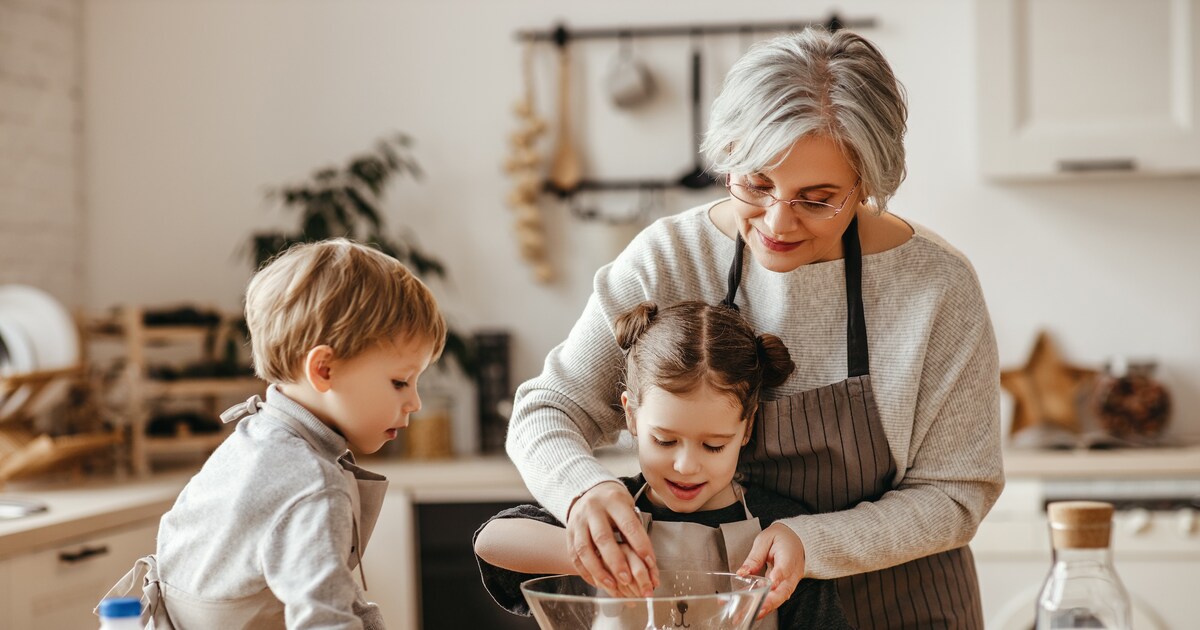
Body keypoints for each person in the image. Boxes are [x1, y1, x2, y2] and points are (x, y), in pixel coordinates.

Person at [505, 27, 1003, 629]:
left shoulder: (936, 286)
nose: (777, 222)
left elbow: (957, 494)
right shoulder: (667, 258)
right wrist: (582, 489)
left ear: (866, 185)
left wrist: (812, 540)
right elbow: (548, 410)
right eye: (756, 184)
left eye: (816, 199)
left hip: (901, 609)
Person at [99, 238, 446, 629]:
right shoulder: (311, 483)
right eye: (400, 382)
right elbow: (326, 622)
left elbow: (342, 600)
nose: (414, 402)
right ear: (324, 370)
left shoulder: (254, 438)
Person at [475, 301, 853, 629]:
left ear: (747, 426)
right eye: (665, 441)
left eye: (713, 445)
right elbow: (492, 541)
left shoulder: (778, 532)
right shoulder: (613, 509)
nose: (686, 465)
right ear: (632, 417)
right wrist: (598, 555)